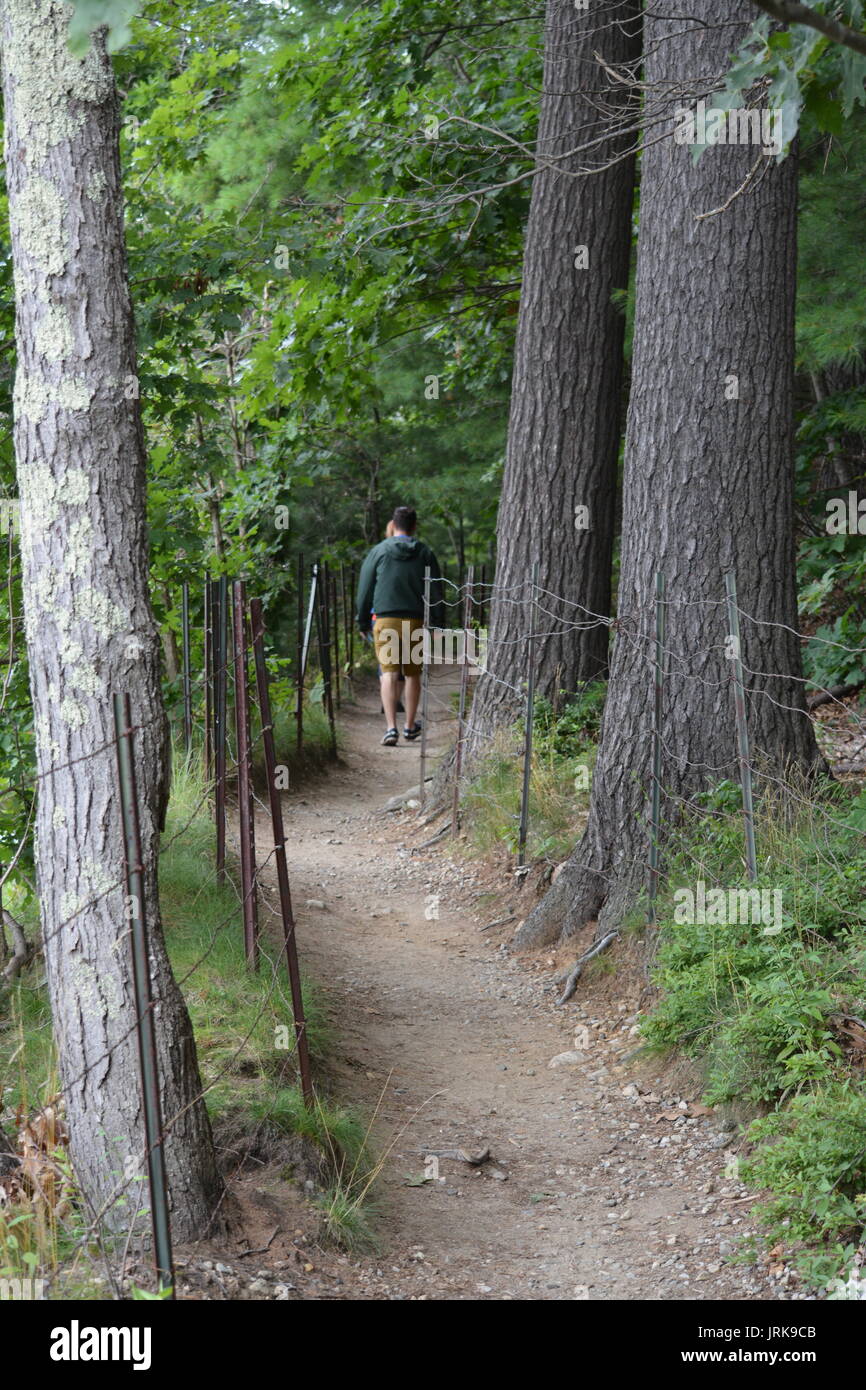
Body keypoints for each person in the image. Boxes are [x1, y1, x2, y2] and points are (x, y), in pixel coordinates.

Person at [356, 505, 445, 745]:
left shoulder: (378, 551)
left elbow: (364, 588)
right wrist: (437, 622)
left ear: (393, 525)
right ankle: (409, 726)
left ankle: (390, 728)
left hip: (385, 619)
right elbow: (437, 589)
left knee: (389, 672)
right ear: (414, 526)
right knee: (413, 674)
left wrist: (362, 620)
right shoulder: (425, 552)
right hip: (414, 620)